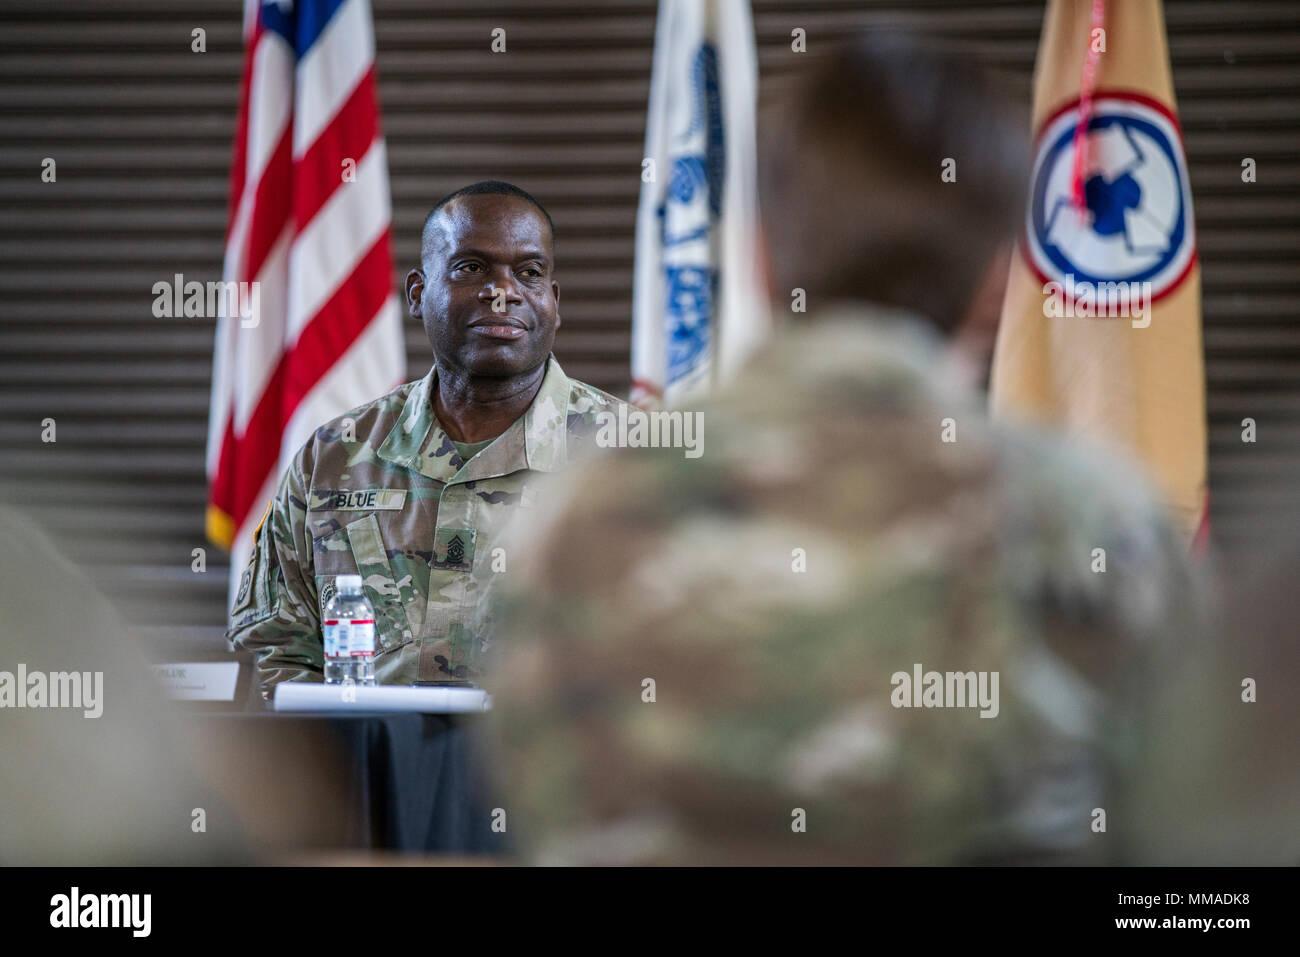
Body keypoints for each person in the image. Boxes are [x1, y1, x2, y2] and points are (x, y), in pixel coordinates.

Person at [482, 35, 1203, 865]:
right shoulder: (1108, 529)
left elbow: (538, 808)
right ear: (1002, 278)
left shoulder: (573, 522)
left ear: (756, 257)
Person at [229, 181, 626, 692]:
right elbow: (273, 649)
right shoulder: (333, 457)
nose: (502, 291)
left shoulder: (631, 458)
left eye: (528, 273)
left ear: (552, 300)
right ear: (418, 294)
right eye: (471, 268)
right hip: (371, 769)